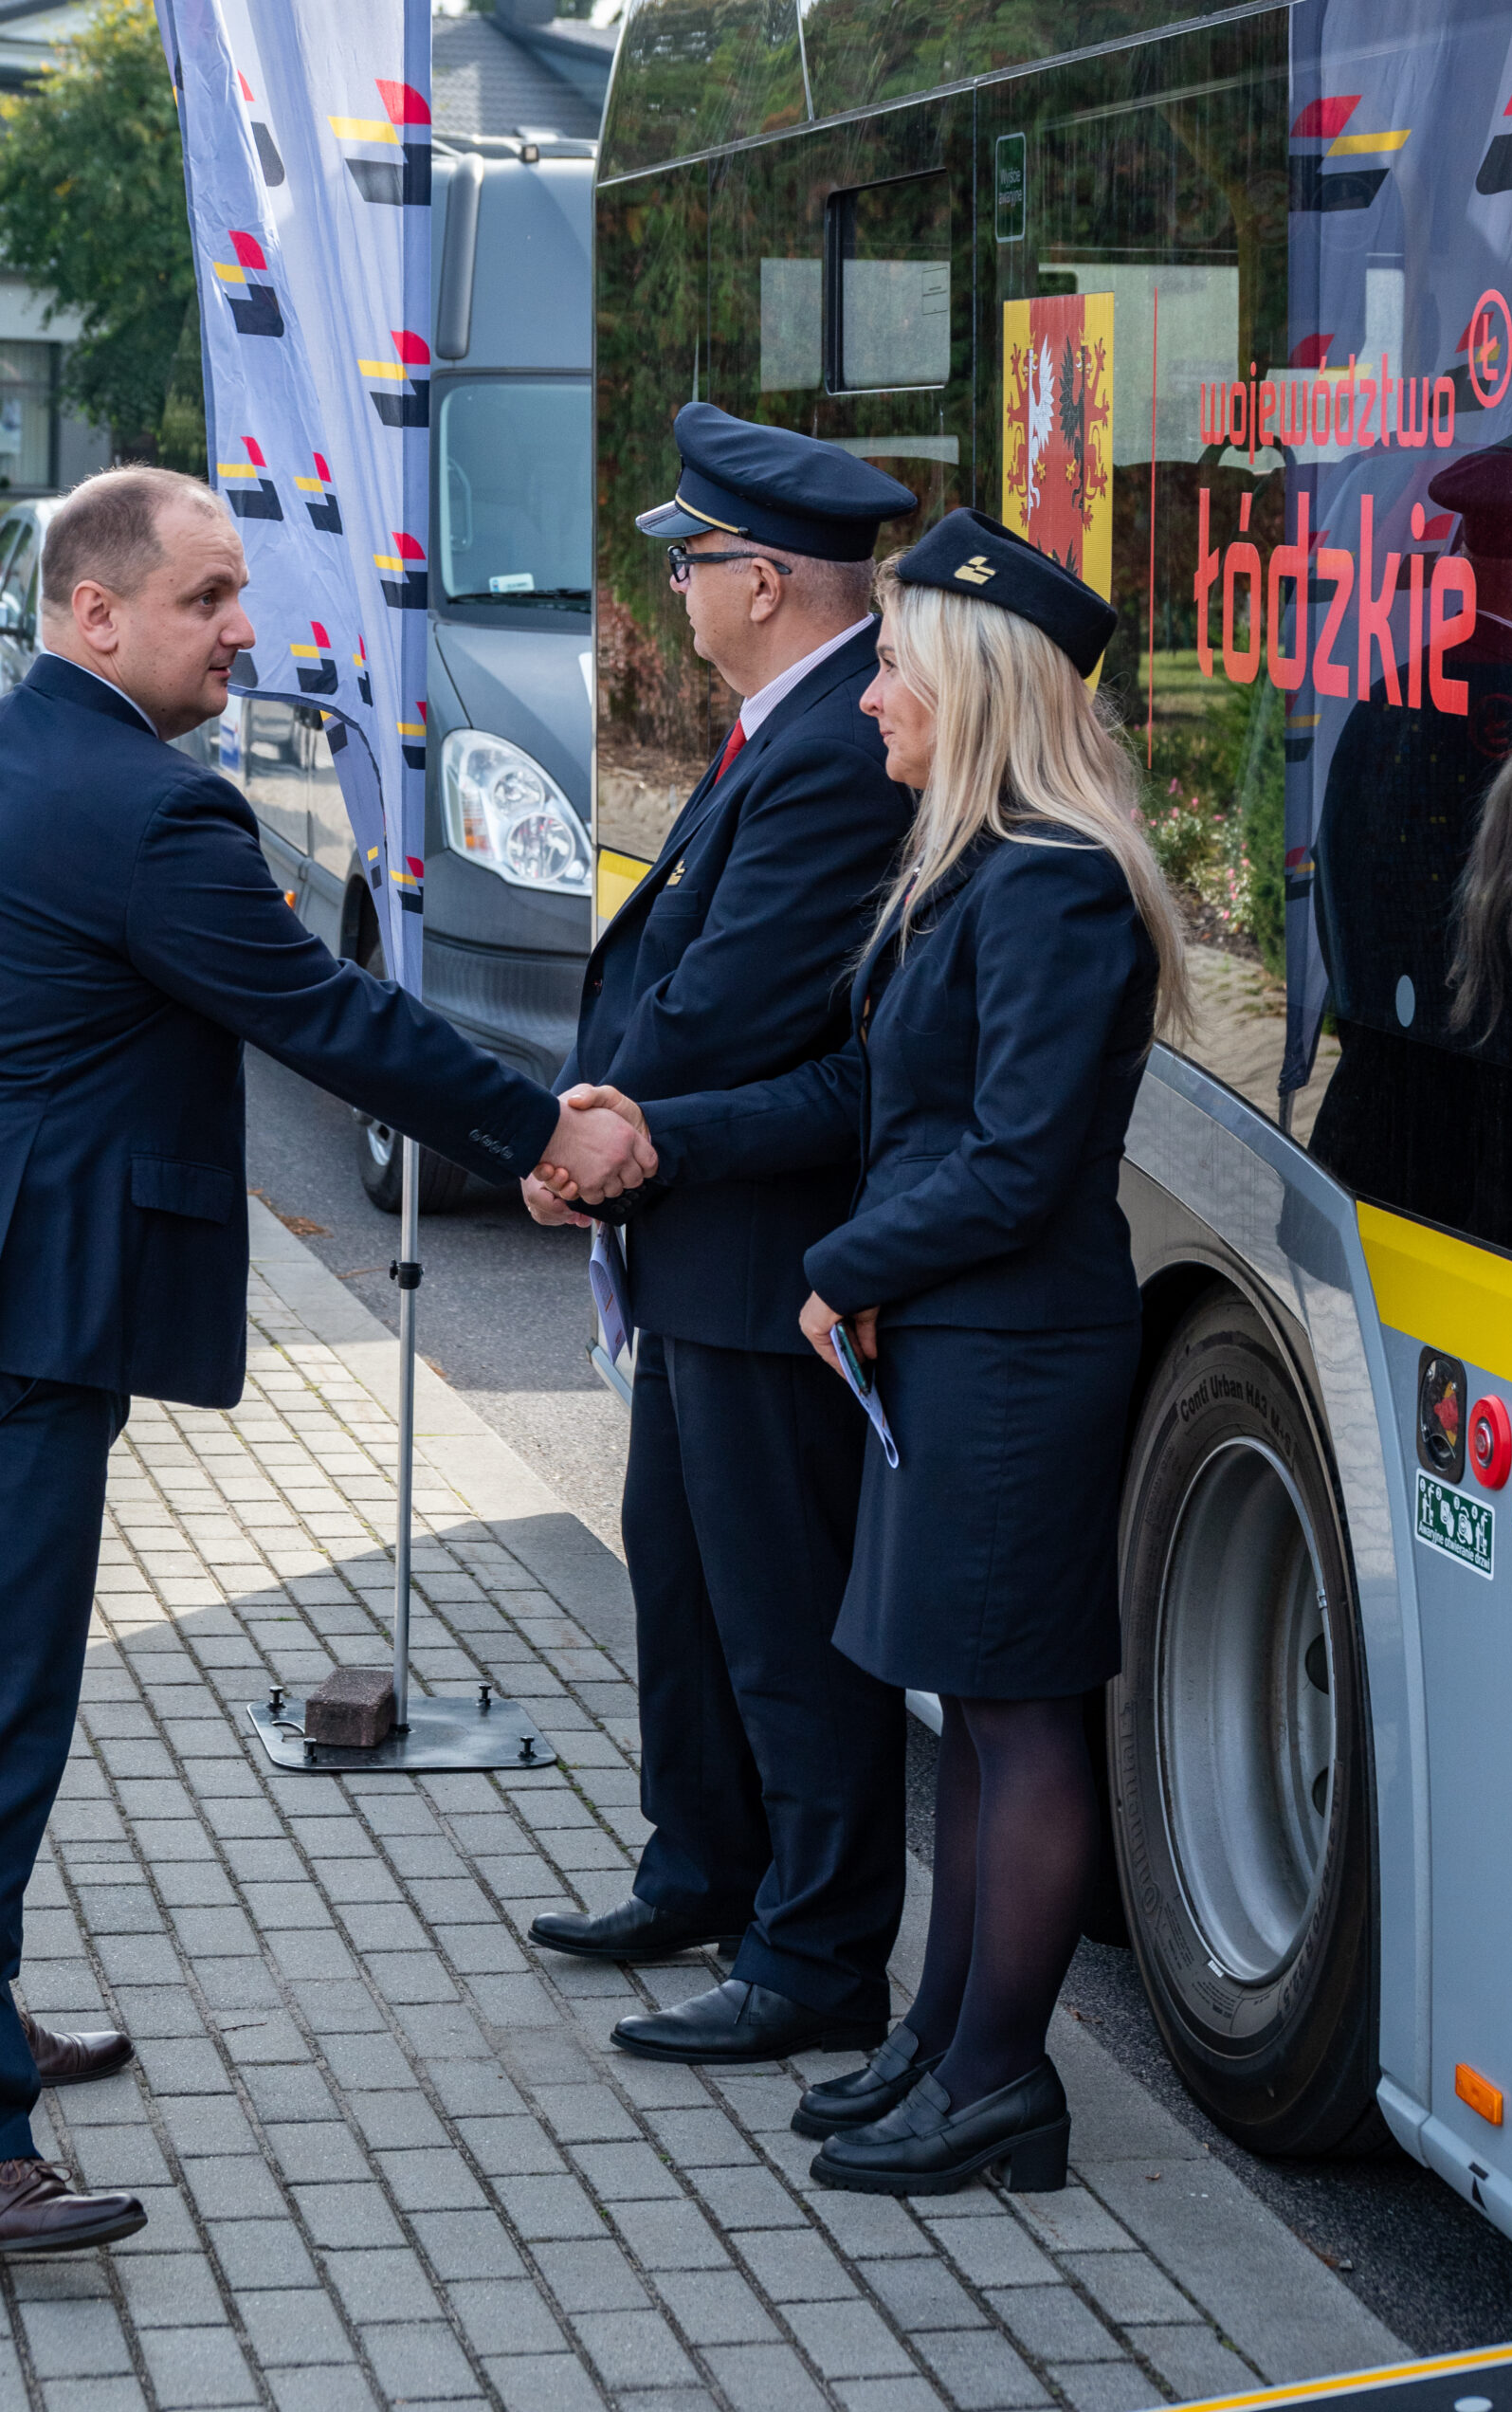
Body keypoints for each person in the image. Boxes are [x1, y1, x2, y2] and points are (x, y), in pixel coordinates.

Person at [0, 466, 653, 2258]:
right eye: (205, 598)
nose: (241, 631)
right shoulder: (151, 811)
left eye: (237, 596)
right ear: (95, 611)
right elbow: (328, 1017)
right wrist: (545, 1132)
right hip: (4, 1315)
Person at [555, 507, 1187, 2192]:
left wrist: (838, 1265)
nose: (872, 694)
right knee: (970, 1716)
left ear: (973, 688)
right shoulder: (976, 868)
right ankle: (940, 2042)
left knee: (1018, 1717)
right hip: (954, 1349)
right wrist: (670, 1140)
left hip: (1013, 1356)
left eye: (896, 666)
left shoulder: (1055, 885)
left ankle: (999, 2084)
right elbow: (866, 1092)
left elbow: (1019, 1160)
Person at [523, 404, 920, 2065]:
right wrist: (581, 1133)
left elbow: (732, 1004)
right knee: (686, 1588)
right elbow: (668, 972)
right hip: (697, 1241)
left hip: (766, 1257)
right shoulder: (790, 722)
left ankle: (816, 1955)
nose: (672, 588)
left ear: (762, 580)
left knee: (782, 1616)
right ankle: (704, 1870)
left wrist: (577, 1140)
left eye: (690, 562)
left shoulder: (833, 747)